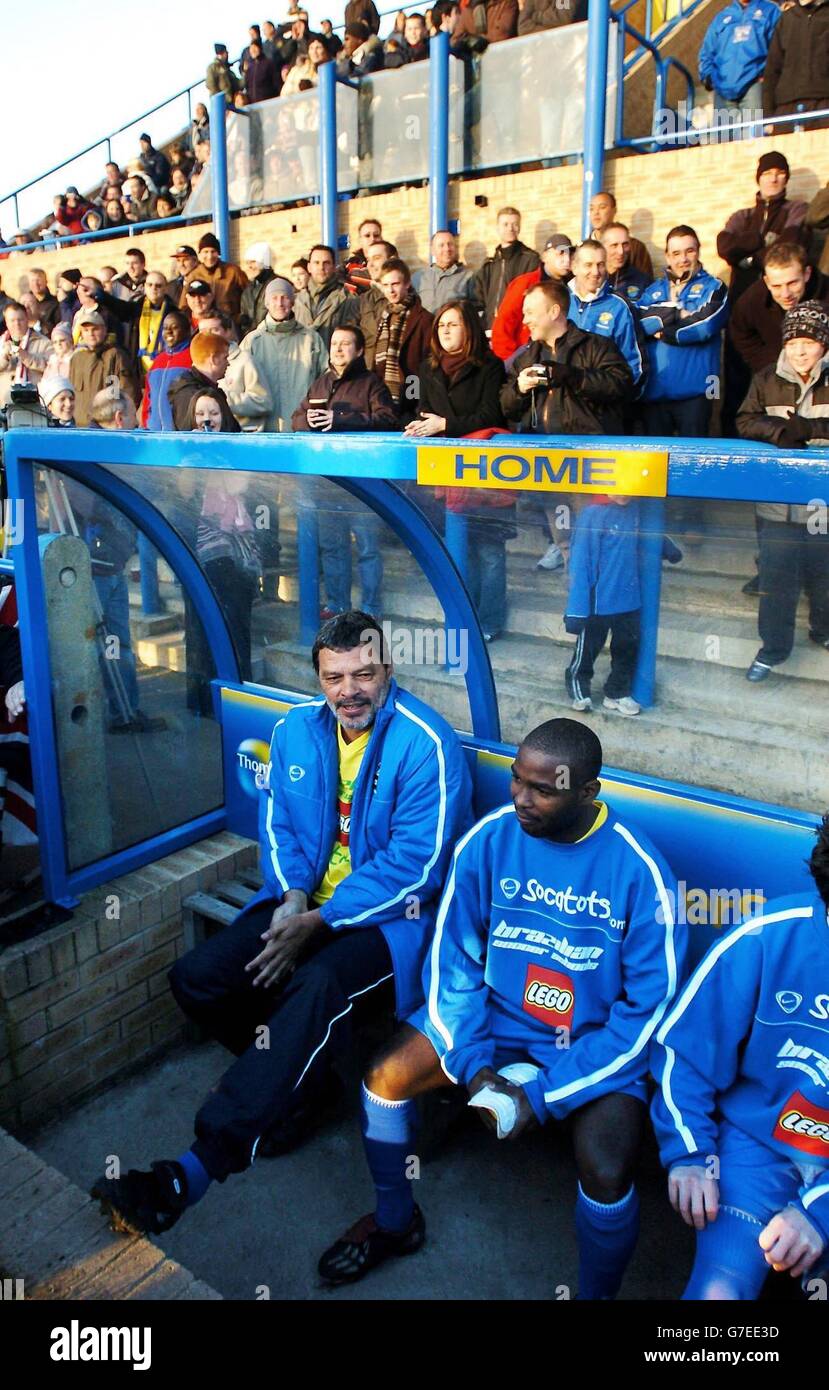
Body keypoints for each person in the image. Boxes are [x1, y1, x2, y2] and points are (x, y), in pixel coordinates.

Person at [91, 611, 472, 1237]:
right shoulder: (296, 729)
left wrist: (321, 918)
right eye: (334, 677)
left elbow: (418, 868)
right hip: (300, 903)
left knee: (315, 984)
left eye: (364, 674)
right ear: (318, 678)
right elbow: (280, 827)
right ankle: (302, 1087)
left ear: (388, 672)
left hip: (388, 924)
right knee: (199, 977)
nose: (350, 690)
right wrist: (294, 897)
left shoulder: (424, 742)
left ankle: (195, 1169)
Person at [317, 717, 683, 1293]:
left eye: (543, 789)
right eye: (516, 780)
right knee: (384, 1077)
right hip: (492, 1024)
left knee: (607, 1168)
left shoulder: (640, 872)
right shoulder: (488, 839)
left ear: (588, 792)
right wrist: (472, 1061)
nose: (521, 798)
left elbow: (645, 1017)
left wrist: (544, 1093)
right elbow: (452, 965)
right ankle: (394, 1222)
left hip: (590, 1046)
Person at [651, 815, 829, 1300]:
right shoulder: (767, 935)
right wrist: (689, 1152)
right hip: (758, 1147)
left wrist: (819, 1211)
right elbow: (684, 1052)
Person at [406, 300, 511, 640]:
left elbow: (491, 415)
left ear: (468, 328)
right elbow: (424, 409)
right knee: (458, 547)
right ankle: (465, 619)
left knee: (490, 551)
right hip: (448, 474)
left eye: (453, 324)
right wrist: (422, 424)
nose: (446, 330)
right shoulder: (429, 367)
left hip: (486, 472)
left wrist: (445, 424)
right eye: (441, 325)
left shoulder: (490, 366)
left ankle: (490, 621)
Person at [737, 301, 829, 682]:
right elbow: (744, 420)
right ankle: (773, 648)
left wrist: (813, 433)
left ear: (823, 344)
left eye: (808, 342)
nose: (800, 350)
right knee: (776, 582)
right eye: (793, 343)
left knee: (824, 577)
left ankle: (823, 631)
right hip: (777, 505)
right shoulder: (766, 377)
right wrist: (777, 432)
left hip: (823, 505)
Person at [293, 326, 397, 618]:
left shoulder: (372, 383)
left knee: (367, 547)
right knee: (332, 547)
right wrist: (309, 421)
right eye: (335, 343)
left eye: (346, 344)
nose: (338, 349)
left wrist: (338, 419)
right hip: (326, 480)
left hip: (364, 481)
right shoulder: (320, 383)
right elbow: (295, 419)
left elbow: (388, 419)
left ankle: (371, 607)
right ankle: (337, 603)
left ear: (360, 350)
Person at [639, 225, 729, 440]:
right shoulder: (651, 291)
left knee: (696, 463)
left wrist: (663, 330)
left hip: (698, 393)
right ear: (667, 256)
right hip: (655, 395)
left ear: (698, 251)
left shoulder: (715, 287)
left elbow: (705, 326)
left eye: (689, 251)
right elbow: (638, 326)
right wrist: (679, 313)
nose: (683, 259)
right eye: (676, 253)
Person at [564, 497, 644, 717]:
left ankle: (617, 692)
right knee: (588, 649)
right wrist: (576, 609)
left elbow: (648, 536)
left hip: (628, 599)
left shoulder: (637, 509)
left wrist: (667, 547)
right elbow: (580, 562)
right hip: (598, 601)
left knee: (627, 649)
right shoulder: (593, 514)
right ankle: (579, 688)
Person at [717, 152, 809, 308]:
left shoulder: (797, 209)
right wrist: (756, 240)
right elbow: (725, 247)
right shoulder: (742, 216)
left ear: (786, 179)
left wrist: (750, 260)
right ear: (758, 178)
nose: (773, 179)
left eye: (780, 173)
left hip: (783, 301)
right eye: (767, 173)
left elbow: (790, 246)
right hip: (743, 298)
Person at [729, 241, 829, 377]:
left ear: (807, 274)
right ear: (767, 282)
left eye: (792, 283)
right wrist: (771, 366)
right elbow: (740, 333)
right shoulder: (752, 300)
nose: (785, 294)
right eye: (776, 286)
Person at [241, 276, 327, 431]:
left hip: (303, 428)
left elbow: (326, 380)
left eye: (284, 298)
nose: (279, 303)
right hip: (264, 431)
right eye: (274, 298)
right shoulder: (252, 341)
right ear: (267, 303)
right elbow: (238, 386)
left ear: (292, 302)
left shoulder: (311, 339)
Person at [566, 240, 645, 392]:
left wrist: (622, 402)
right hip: (565, 403)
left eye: (600, 264)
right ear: (574, 267)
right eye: (588, 265)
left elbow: (635, 361)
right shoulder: (560, 301)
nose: (595, 272)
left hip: (604, 403)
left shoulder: (619, 307)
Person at [698, 0, 781, 131]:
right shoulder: (722, 17)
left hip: (754, 87)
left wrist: (768, 76)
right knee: (723, 145)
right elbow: (707, 53)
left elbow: (778, 48)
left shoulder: (770, 11)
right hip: (722, 91)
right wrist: (709, 78)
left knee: (753, 142)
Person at [491, 233, 573, 361]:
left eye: (570, 254)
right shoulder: (525, 283)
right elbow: (504, 324)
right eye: (561, 252)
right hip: (524, 359)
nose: (566, 259)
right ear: (545, 256)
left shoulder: (573, 288)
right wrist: (510, 362)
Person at [372, 258, 433, 424]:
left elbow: (428, 364)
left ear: (407, 284)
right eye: (385, 285)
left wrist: (419, 402)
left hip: (412, 399)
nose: (390, 290)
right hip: (383, 399)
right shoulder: (384, 316)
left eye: (395, 284)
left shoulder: (424, 318)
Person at [199, 309, 271, 433]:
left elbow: (264, 403)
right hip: (209, 437)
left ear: (227, 332)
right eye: (203, 332)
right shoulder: (197, 364)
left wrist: (222, 401)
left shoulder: (245, 360)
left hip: (242, 439)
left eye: (214, 330)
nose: (208, 336)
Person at [471, 207, 541, 330]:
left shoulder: (531, 260)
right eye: (506, 224)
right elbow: (478, 300)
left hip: (517, 330)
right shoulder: (489, 265)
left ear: (520, 227)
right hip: (489, 329)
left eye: (515, 224)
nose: (510, 228)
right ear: (497, 228)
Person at [762, 0, 829, 123]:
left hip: (824, 105)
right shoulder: (786, 19)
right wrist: (767, 117)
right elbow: (772, 70)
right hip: (786, 108)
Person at [68, 310, 138, 426]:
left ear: (104, 330)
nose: (90, 333)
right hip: (79, 425)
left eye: (95, 329)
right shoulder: (77, 358)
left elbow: (127, 391)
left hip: (105, 425)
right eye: (86, 330)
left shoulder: (115, 355)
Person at [168, 330, 241, 433]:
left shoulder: (208, 390)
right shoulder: (189, 395)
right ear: (214, 359)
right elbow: (189, 437)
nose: (228, 363)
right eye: (225, 357)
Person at [293, 244, 361, 349]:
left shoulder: (349, 300)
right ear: (309, 267)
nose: (321, 267)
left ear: (334, 267)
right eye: (316, 263)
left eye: (326, 263)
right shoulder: (295, 301)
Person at [180, 234, 249, 330]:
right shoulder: (193, 275)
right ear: (200, 254)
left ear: (218, 253)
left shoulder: (233, 272)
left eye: (213, 251)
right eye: (205, 252)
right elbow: (184, 305)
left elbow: (248, 294)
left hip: (230, 325)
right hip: (204, 326)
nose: (209, 256)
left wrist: (242, 317)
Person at [141, 310, 193, 429]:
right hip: (154, 433)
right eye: (165, 328)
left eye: (175, 327)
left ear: (186, 330)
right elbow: (148, 398)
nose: (169, 331)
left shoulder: (193, 357)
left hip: (180, 433)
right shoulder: (158, 361)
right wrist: (146, 424)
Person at [588, 192, 653, 280]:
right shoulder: (583, 248)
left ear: (614, 210)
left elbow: (646, 283)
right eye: (592, 209)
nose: (596, 212)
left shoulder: (636, 248)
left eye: (602, 207)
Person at [414, 229, 475, 315]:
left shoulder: (468, 277)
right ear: (432, 251)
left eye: (450, 244)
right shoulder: (418, 278)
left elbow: (476, 310)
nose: (447, 249)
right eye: (441, 245)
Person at [0, 301, 51, 405]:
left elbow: (51, 367)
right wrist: (4, 358)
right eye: (12, 320)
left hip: (34, 402)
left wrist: (27, 357)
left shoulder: (43, 342)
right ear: (6, 322)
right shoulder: (1, 342)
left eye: (20, 320)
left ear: (27, 319)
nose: (17, 324)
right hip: (4, 402)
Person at [359, 239, 399, 366]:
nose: (370, 265)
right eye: (368, 260)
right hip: (369, 375)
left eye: (376, 258)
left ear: (392, 260)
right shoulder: (363, 300)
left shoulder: (407, 297)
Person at [600, 224, 651, 306]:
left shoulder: (643, 281)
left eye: (625, 244)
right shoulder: (594, 278)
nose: (621, 251)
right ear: (602, 248)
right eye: (614, 245)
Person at [240, 244, 276, 337]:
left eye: (253, 262)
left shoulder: (277, 286)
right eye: (247, 263)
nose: (249, 266)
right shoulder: (247, 291)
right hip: (254, 343)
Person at [342, 218, 384, 296]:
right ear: (360, 240)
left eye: (376, 235)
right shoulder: (347, 266)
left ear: (381, 238)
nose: (372, 239)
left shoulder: (392, 264)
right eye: (367, 236)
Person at [243, 37, 281, 103]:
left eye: (255, 48)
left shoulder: (268, 63)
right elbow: (247, 85)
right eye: (251, 48)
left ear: (260, 48)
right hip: (253, 104)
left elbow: (276, 83)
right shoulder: (249, 66)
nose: (253, 50)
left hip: (267, 102)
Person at [26, 268, 59, 336]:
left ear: (46, 281)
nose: (35, 284)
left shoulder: (55, 303)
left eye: (38, 280)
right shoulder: (25, 303)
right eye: (32, 280)